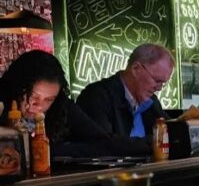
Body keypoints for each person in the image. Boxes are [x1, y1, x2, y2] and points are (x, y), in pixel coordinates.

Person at [0, 50, 138, 157]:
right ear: (16, 87)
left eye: (48, 100)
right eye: (32, 96)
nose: (39, 106)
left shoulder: (62, 107)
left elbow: (101, 142)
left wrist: (51, 149)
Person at [77, 44, 174, 143]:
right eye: (157, 81)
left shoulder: (152, 102)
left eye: (163, 84)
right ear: (136, 69)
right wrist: (154, 142)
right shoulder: (96, 97)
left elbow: (172, 134)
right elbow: (104, 145)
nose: (159, 88)